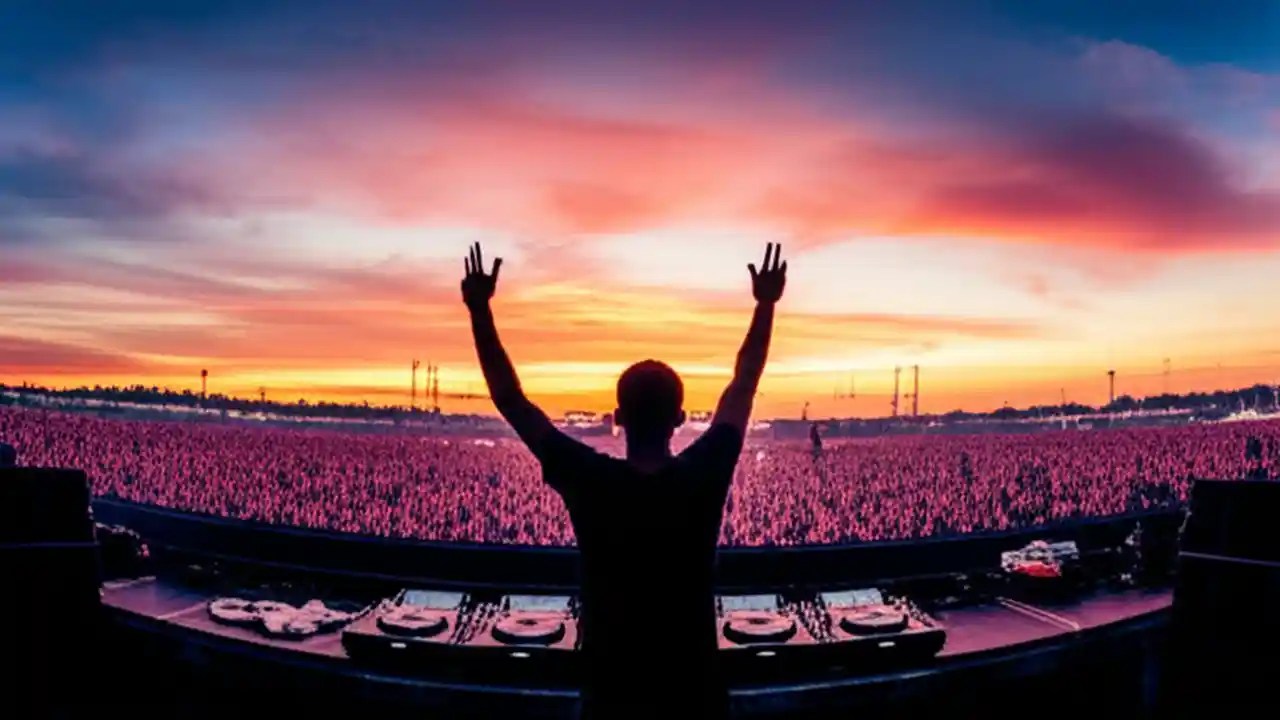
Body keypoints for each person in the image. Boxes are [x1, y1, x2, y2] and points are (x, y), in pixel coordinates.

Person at [462, 241, 786, 718]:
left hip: (610, 695)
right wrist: (765, 305)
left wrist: (479, 310)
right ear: (680, 418)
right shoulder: (705, 471)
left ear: (617, 418)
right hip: (693, 692)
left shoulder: (589, 479)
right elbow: (744, 384)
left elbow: (511, 400)